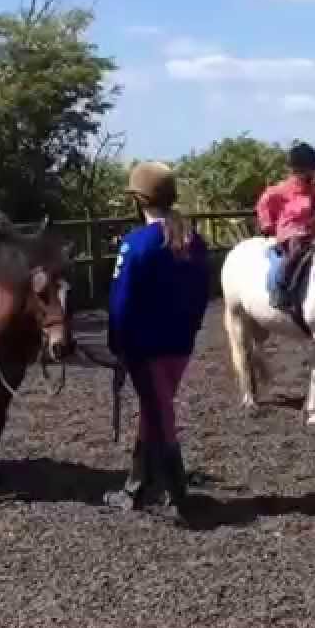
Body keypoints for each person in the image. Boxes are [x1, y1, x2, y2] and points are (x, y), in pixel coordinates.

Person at [108, 161, 210, 510]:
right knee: (155, 408)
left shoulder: (135, 244)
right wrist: (191, 329)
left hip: (145, 347)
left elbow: (121, 302)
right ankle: (136, 485)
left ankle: (177, 493)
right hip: (181, 345)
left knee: (160, 413)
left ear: (139, 200)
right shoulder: (194, 241)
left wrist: (116, 344)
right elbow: (202, 295)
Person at [256, 141, 315, 313]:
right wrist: (267, 225)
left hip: (312, 232)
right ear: (298, 170)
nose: (312, 173)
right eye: (309, 170)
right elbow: (264, 203)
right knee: (296, 249)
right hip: (291, 233)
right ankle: (281, 289)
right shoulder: (280, 190)